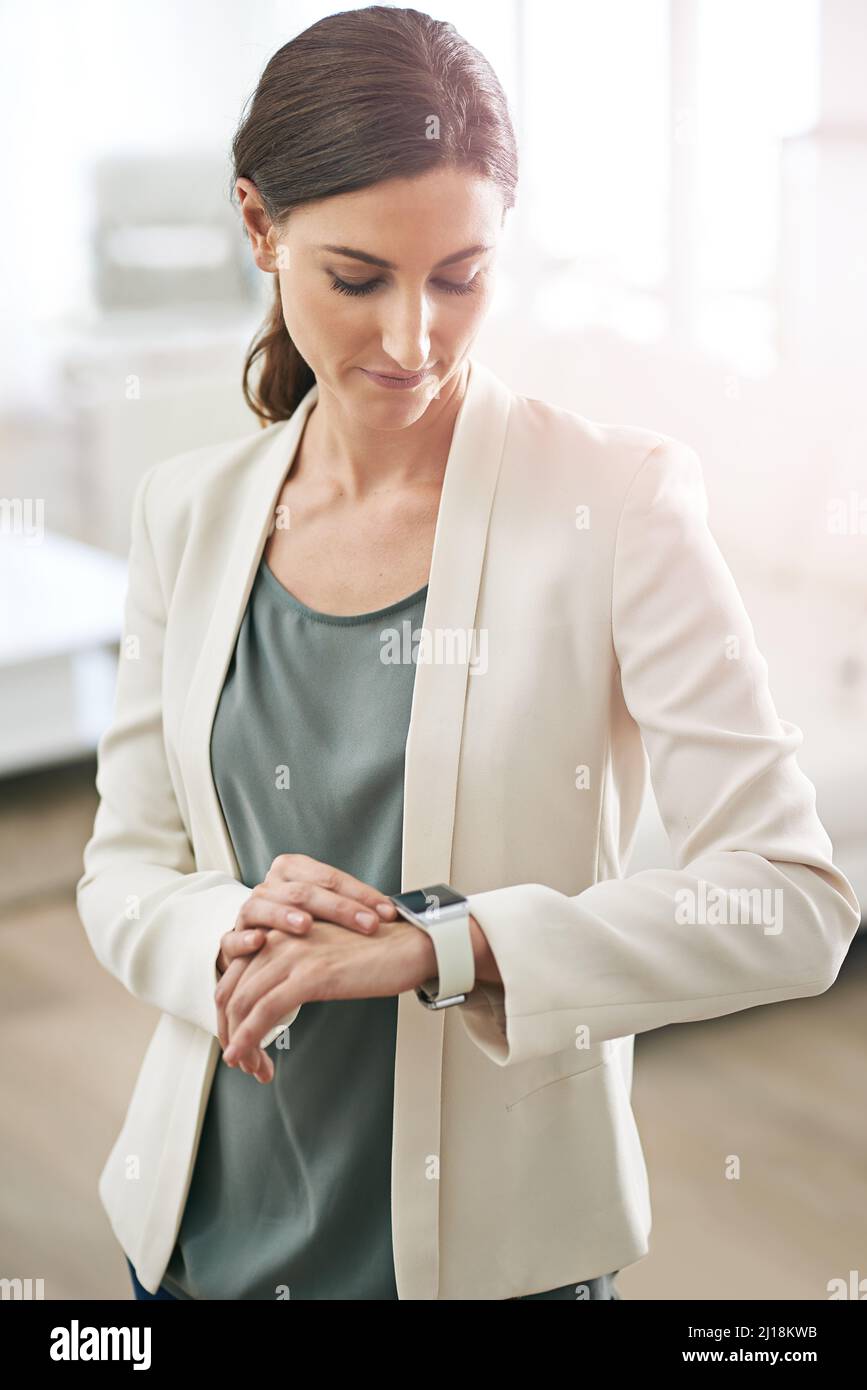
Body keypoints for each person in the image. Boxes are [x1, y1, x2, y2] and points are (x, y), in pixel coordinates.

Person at [77, 5, 861, 1302]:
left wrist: (443, 944)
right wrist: (230, 929)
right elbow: (124, 865)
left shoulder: (618, 504)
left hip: (496, 1263)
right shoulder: (188, 510)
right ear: (259, 227)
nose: (413, 341)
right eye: (356, 277)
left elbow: (794, 900)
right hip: (196, 1234)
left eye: (460, 276)